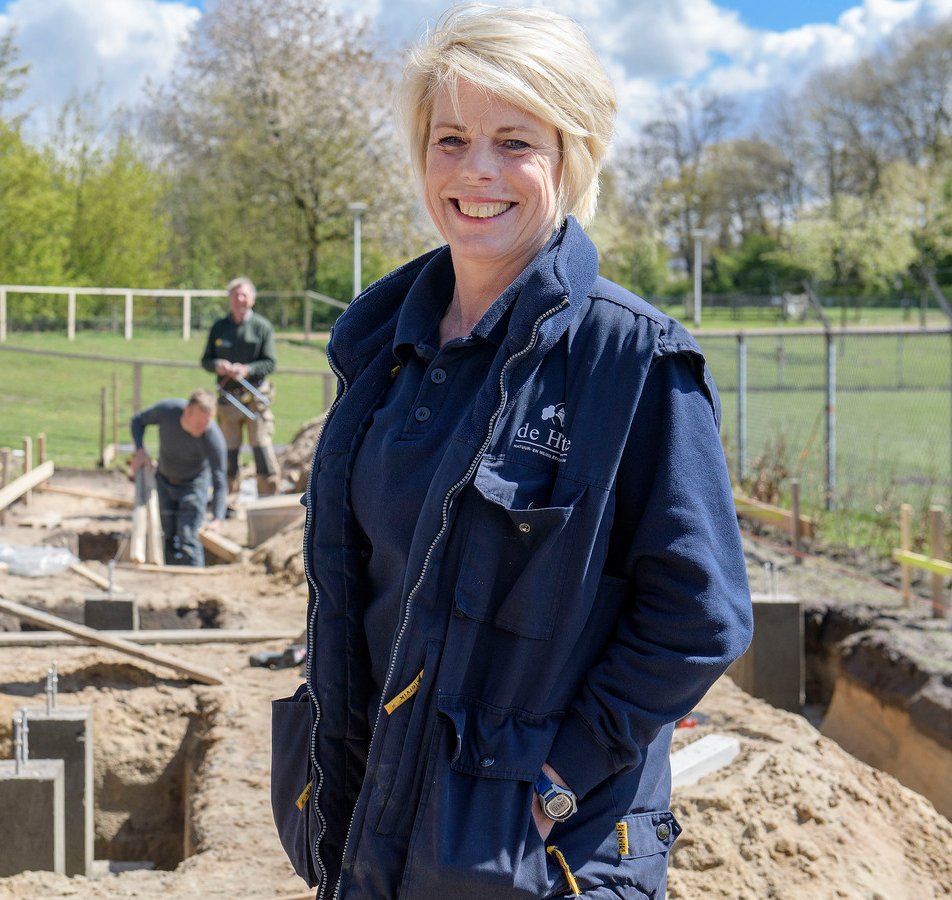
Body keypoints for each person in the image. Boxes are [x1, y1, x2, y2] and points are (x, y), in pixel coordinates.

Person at [270, 6, 753, 900]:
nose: (477, 171)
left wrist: (556, 784)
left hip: (538, 860)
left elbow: (700, 615)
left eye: (515, 142)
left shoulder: (629, 360)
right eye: (450, 139)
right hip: (378, 824)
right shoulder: (383, 350)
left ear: (572, 156)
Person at [128, 389, 227, 567]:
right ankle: (170, 574)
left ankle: (194, 575)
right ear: (187, 411)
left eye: (207, 422)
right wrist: (140, 450)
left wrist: (217, 519)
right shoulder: (168, 411)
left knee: (188, 535)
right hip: (164, 480)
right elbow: (137, 421)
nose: (203, 427)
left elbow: (220, 480)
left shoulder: (212, 437)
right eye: (199, 422)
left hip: (194, 485)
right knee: (166, 535)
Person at [201, 276, 280, 496]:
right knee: (228, 453)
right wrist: (217, 365)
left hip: (255, 398)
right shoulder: (220, 327)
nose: (240, 300)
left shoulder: (262, 327)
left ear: (252, 299)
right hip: (228, 398)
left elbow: (270, 363)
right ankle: (227, 501)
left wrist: (247, 370)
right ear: (230, 299)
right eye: (236, 295)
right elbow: (206, 360)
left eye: (244, 295)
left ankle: (267, 499)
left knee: (261, 449)